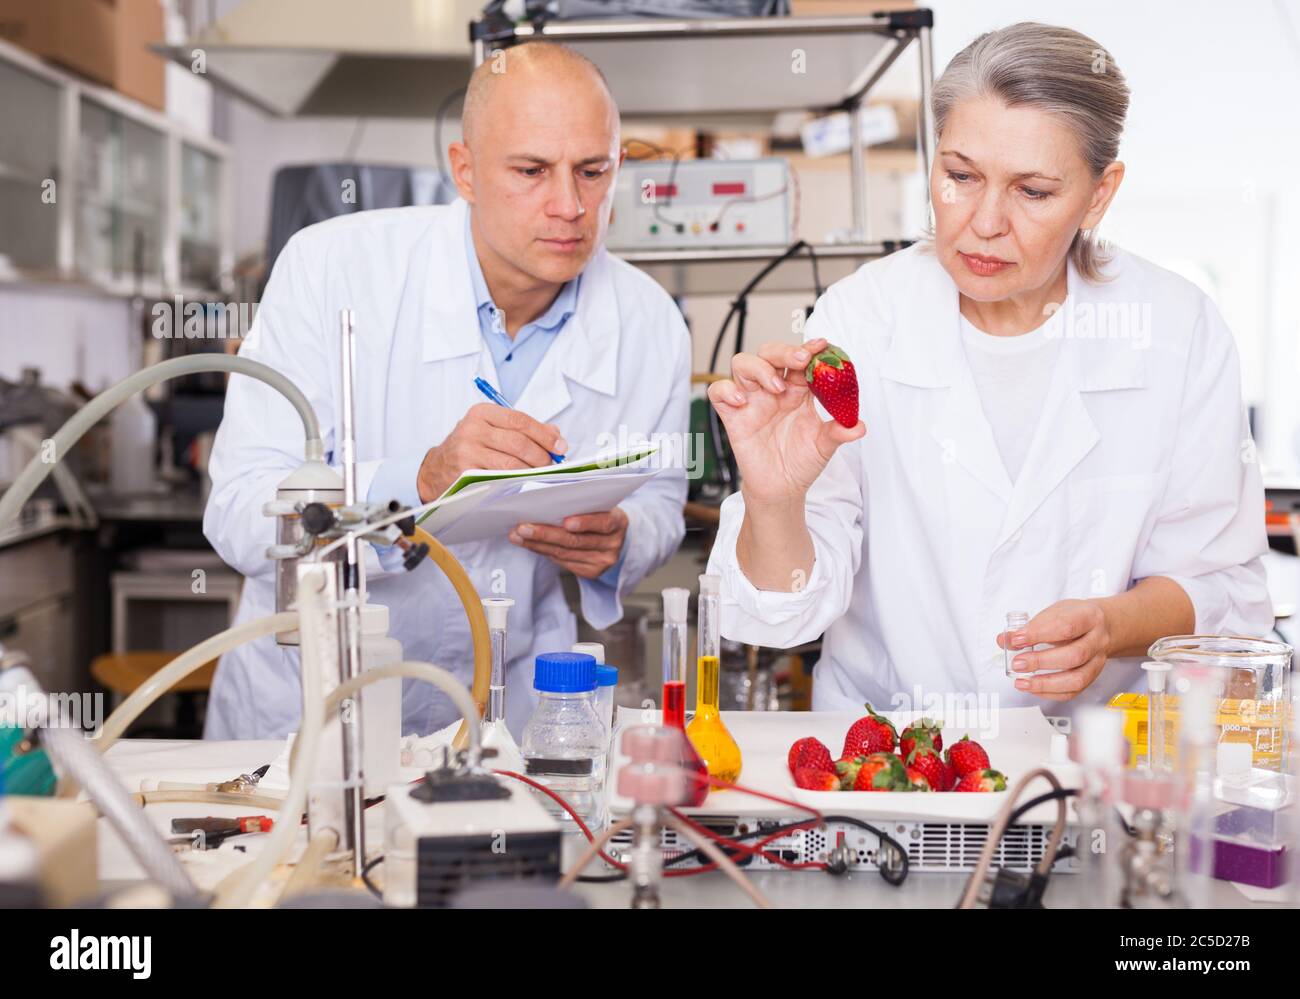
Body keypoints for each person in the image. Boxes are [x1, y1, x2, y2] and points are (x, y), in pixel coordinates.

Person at [705, 23, 1270, 715]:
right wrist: (773, 498)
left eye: (1033, 191)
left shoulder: (1178, 330)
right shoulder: (861, 321)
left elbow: (1224, 591)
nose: (984, 222)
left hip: (1088, 768)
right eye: (960, 176)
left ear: (1099, 194)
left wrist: (1111, 627)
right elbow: (778, 617)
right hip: (889, 767)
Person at [204, 42, 690, 738]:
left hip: (513, 714)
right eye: (531, 170)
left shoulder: (651, 324)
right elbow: (238, 511)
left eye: (593, 171)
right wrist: (420, 479)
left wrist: (624, 540)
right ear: (464, 171)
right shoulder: (329, 269)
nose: (570, 205)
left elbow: (662, 499)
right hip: (314, 712)